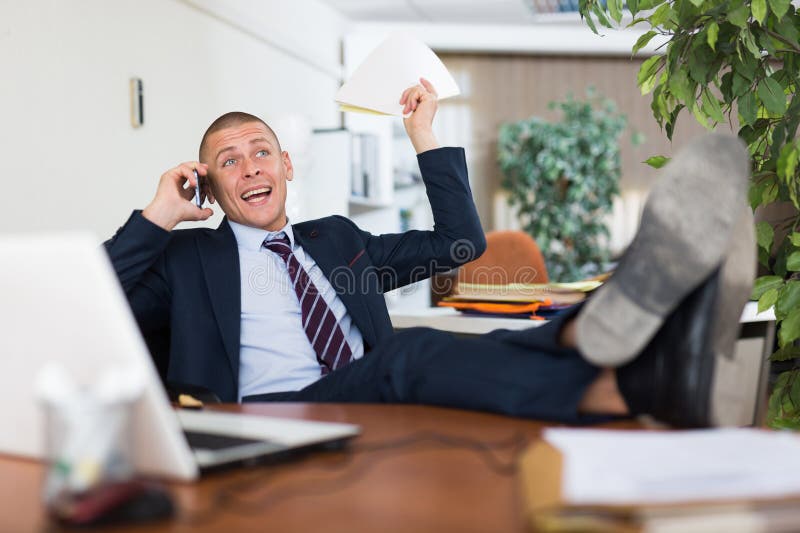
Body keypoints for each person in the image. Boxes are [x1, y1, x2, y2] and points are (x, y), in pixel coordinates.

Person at [106, 79, 756, 428]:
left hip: (365, 397)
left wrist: (423, 134)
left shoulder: (336, 239)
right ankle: (638, 359)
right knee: (408, 354)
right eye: (228, 161)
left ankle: (628, 358)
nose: (250, 166)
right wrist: (160, 214)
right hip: (272, 414)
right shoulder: (186, 259)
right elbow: (97, 300)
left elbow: (459, 244)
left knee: (506, 339)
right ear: (209, 185)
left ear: (286, 168)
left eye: (261, 152)